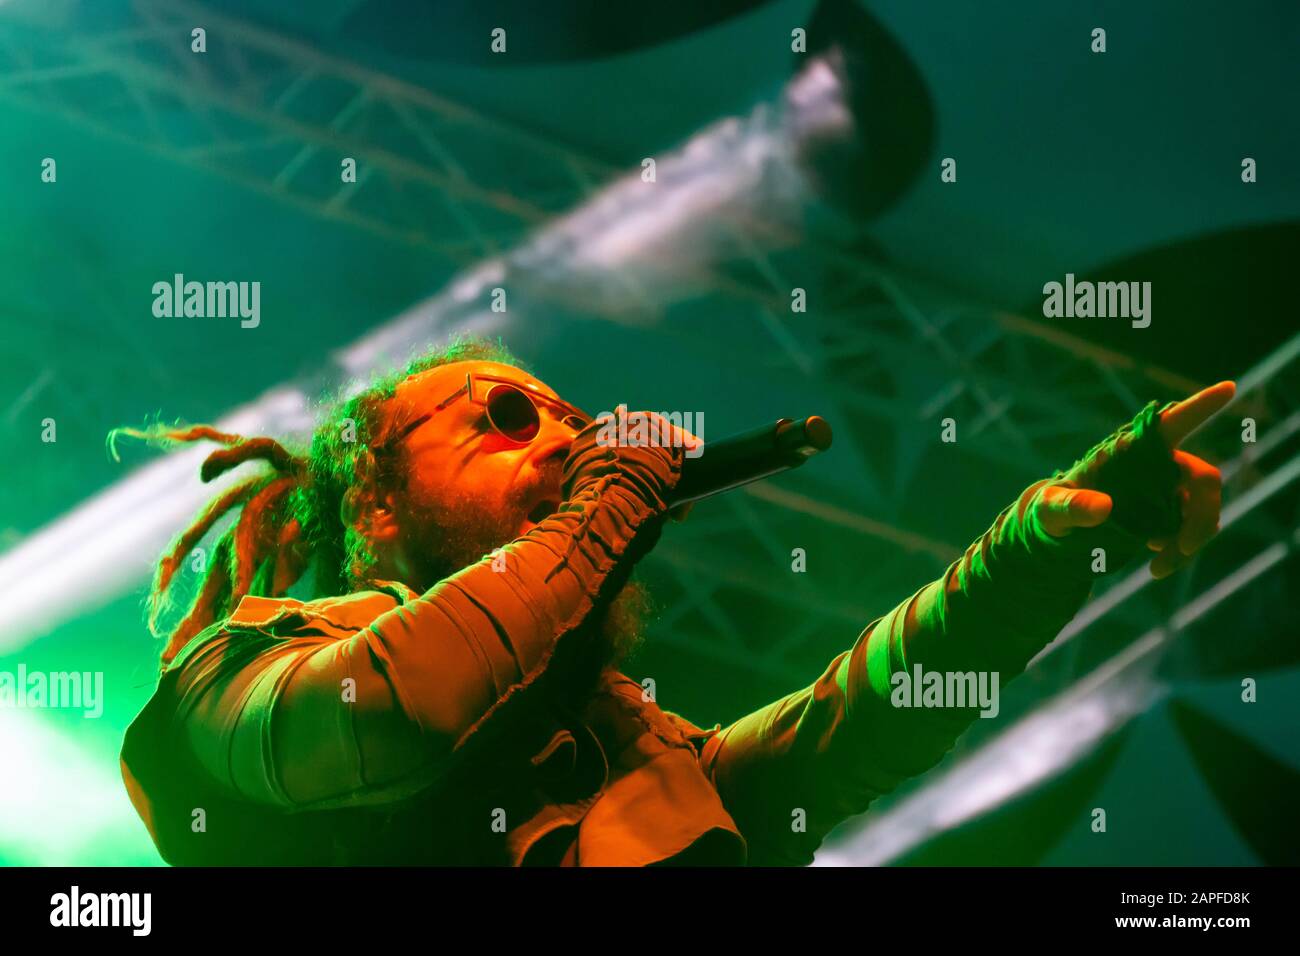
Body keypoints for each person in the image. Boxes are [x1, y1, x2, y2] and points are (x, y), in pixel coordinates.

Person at [116, 337, 1234, 865]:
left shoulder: (639, 745)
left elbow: (846, 727)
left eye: (570, 415)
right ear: (376, 496)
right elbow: (385, 715)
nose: (564, 433)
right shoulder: (241, 666)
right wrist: (602, 508)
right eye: (506, 414)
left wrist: (1040, 540)